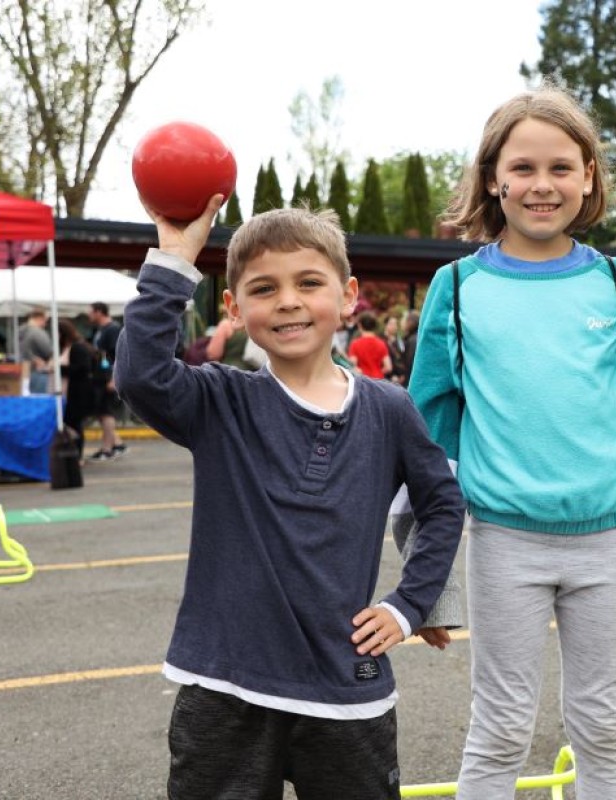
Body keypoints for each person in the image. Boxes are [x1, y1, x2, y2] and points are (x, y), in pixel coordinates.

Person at [408, 84, 616, 800]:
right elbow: (430, 439)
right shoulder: (456, 288)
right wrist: (427, 582)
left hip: (609, 542)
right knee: (499, 729)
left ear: (588, 178)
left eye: (560, 167)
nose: (541, 185)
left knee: (602, 726)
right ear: (493, 177)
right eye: (522, 168)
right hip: (503, 542)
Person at [115, 199, 466, 800]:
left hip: (345, 689)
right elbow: (140, 375)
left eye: (308, 282)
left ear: (348, 294)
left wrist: (410, 604)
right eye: (263, 288)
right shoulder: (219, 402)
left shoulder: (390, 410)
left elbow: (441, 504)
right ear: (234, 307)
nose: (287, 300)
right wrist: (174, 261)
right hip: (224, 685)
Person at [88, 301, 127, 461]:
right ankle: (116, 443)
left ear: (99, 312)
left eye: (91, 312)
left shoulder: (112, 329)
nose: (89, 315)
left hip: (107, 376)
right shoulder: (101, 330)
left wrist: (113, 378)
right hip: (99, 376)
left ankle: (107, 448)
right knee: (101, 412)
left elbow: (118, 354)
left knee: (106, 412)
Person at [57, 318, 97, 462]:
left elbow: (81, 368)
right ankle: (74, 453)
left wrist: (58, 369)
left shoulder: (77, 348)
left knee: (75, 424)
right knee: (71, 424)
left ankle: (78, 455)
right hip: (68, 392)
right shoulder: (66, 348)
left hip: (76, 393)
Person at [18, 307, 54, 394]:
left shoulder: (19, 331)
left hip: (21, 372)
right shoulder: (38, 333)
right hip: (38, 373)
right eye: (45, 321)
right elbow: (48, 352)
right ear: (40, 318)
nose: (45, 324)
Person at [347, 311, 392, 379]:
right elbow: (388, 367)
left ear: (360, 325)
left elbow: (353, 366)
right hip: (378, 381)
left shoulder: (355, 344)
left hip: (363, 380)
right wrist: (378, 372)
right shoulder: (381, 343)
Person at [401, 309, 420, 385]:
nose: (401, 322)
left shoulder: (412, 340)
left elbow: (410, 365)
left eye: (403, 319)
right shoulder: (413, 338)